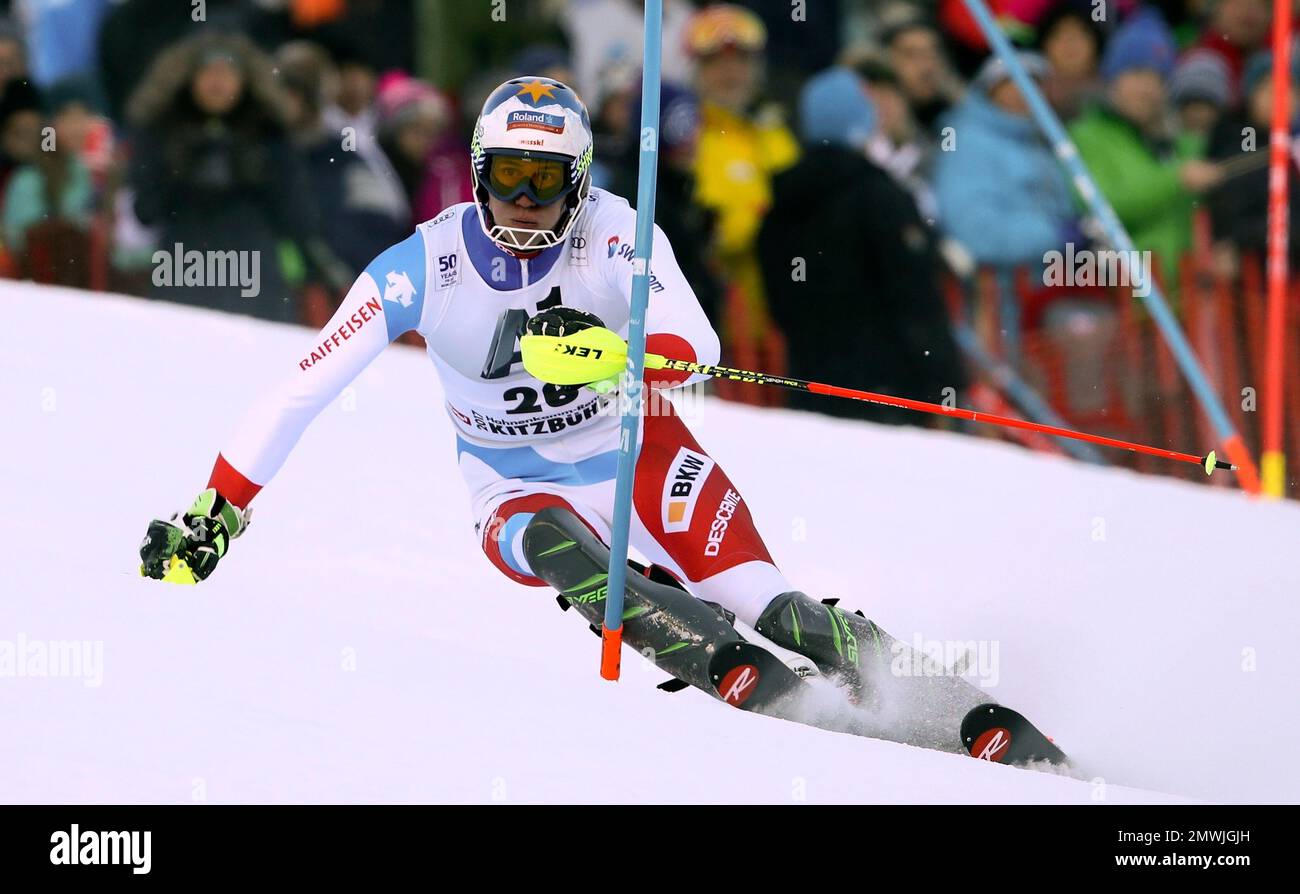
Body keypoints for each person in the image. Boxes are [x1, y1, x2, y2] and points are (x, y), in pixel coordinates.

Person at [136, 76, 946, 724]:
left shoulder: (614, 231)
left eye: (547, 179)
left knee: (773, 606)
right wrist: (219, 509)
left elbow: (698, 348)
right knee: (557, 544)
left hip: (644, 455)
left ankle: (942, 701)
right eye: (508, 177)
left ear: (579, 181)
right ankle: (673, 628)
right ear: (480, 176)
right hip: (515, 484)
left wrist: (610, 357)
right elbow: (300, 388)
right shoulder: (423, 264)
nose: (526, 201)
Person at [760, 66, 965, 427]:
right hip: (891, 398)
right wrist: (945, 382)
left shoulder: (779, 204)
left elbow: (781, 305)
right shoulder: (880, 196)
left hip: (812, 393)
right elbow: (916, 299)